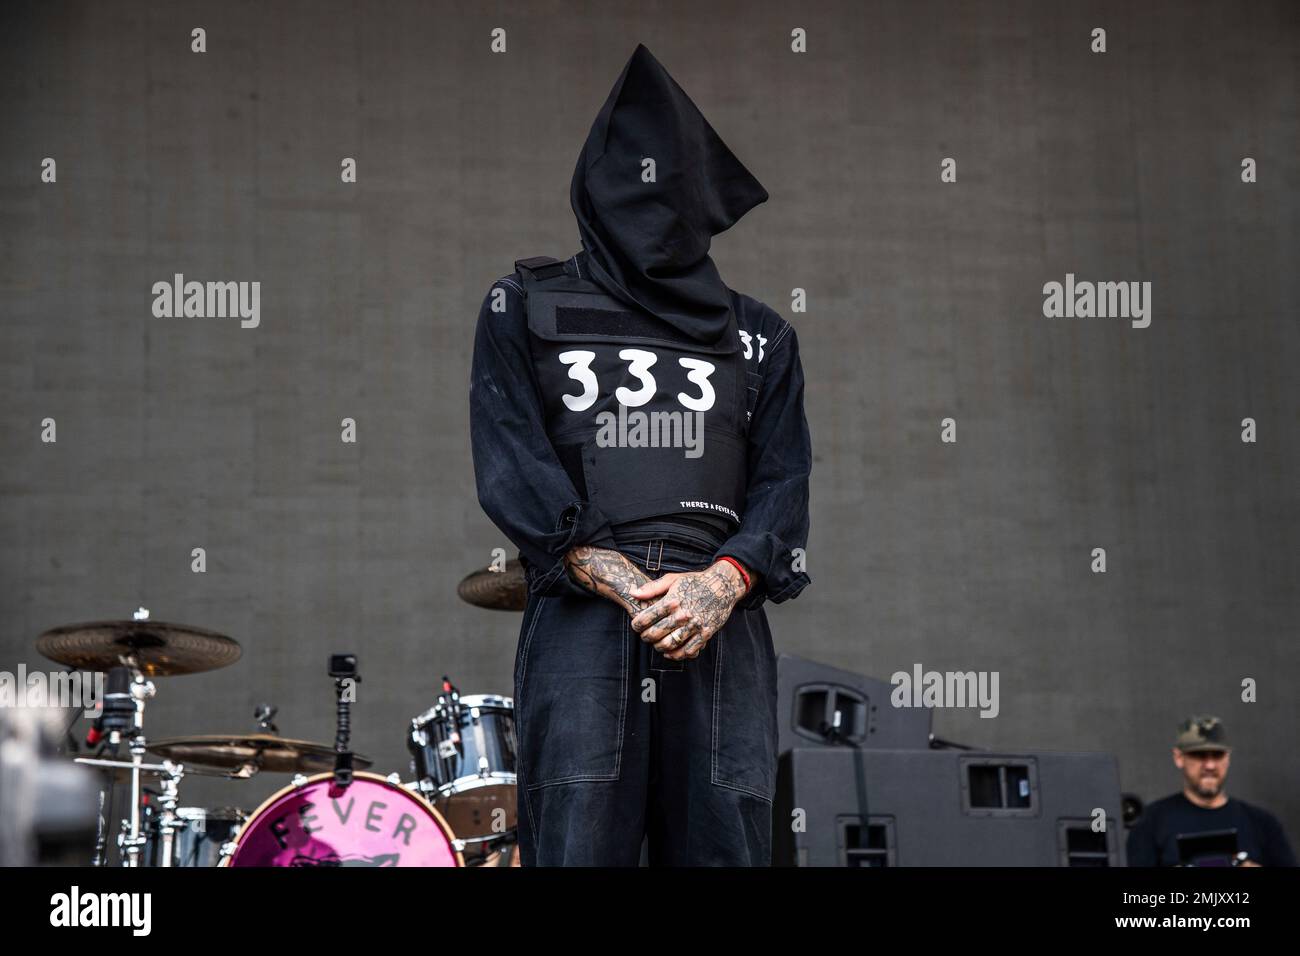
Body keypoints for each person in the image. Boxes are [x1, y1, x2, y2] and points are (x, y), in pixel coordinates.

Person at [469, 44, 811, 865]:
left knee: (724, 845)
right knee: (581, 844)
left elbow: (783, 482)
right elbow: (513, 460)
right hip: (586, 614)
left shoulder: (761, 332)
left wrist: (719, 585)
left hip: (719, 618)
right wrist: (624, 583)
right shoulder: (524, 303)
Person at [1126, 715, 1296, 866]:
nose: (1210, 765)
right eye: (1199, 755)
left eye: (1217, 755)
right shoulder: (1149, 822)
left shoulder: (1263, 823)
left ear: (1228, 757)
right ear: (1179, 758)